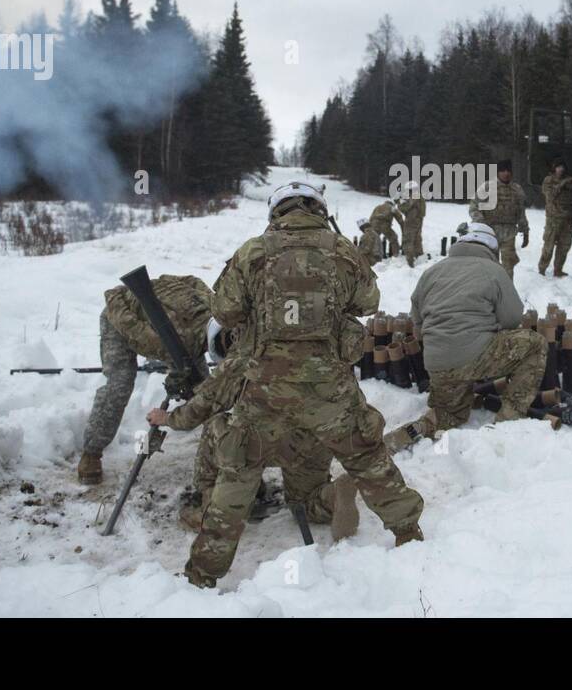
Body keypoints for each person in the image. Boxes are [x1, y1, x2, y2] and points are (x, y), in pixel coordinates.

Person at [167, 180, 424, 588]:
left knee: (238, 473)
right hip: (330, 389)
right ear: (319, 209)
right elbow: (368, 302)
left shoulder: (253, 251)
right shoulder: (342, 250)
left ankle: (202, 575)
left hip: (264, 388)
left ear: (276, 211)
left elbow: (225, 310)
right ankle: (410, 536)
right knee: (367, 458)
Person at [155, 316, 359, 541]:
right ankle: (333, 495)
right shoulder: (311, 341)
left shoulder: (242, 355)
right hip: (317, 437)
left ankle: (212, 509)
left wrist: (167, 418)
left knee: (217, 424)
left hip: (267, 440)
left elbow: (201, 408)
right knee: (304, 503)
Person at [384, 222, 544, 452]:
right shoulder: (494, 271)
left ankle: (418, 429)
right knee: (534, 344)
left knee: (448, 416)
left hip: (438, 363)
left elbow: (417, 324)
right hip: (476, 358)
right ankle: (508, 419)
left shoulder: (432, 272)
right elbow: (512, 319)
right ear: (491, 248)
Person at [77, 274, 212, 484]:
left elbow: (192, 281)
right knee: (119, 384)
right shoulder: (153, 340)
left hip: (174, 328)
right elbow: (129, 324)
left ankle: (224, 452)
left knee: (205, 388)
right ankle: (91, 452)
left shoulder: (214, 311)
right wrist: (178, 376)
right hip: (121, 320)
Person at [469, 159, 528, 278]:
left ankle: (507, 291)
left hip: (509, 232)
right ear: (498, 172)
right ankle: (490, 291)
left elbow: (521, 211)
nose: (506, 173)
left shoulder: (517, 189)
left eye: (508, 171)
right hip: (490, 232)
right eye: (503, 170)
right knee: (490, 264)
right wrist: (481, 225)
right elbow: (474, 207)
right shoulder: (486, 187)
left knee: (508, 266)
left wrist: (525, 230)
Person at [538, 159, 572, 277]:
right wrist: (562, 184)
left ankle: (558, 269)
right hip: (553, 219)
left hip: (567, 219)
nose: (560, 169)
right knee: (549, 246)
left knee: (564, 246)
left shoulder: (569, 181)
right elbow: (550, 195)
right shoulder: (549, 180)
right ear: (554, 168)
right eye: (558, 167)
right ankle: (542, 268)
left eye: (562, 167)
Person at [397, 181, 426, 267]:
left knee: (408, 240)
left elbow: (405, 208)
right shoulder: (418, 196)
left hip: (411, 221)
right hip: (418, 220)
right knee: (417, 239)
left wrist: (399, 202)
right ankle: (419, 257)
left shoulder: (414, 196)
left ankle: (410, 262)